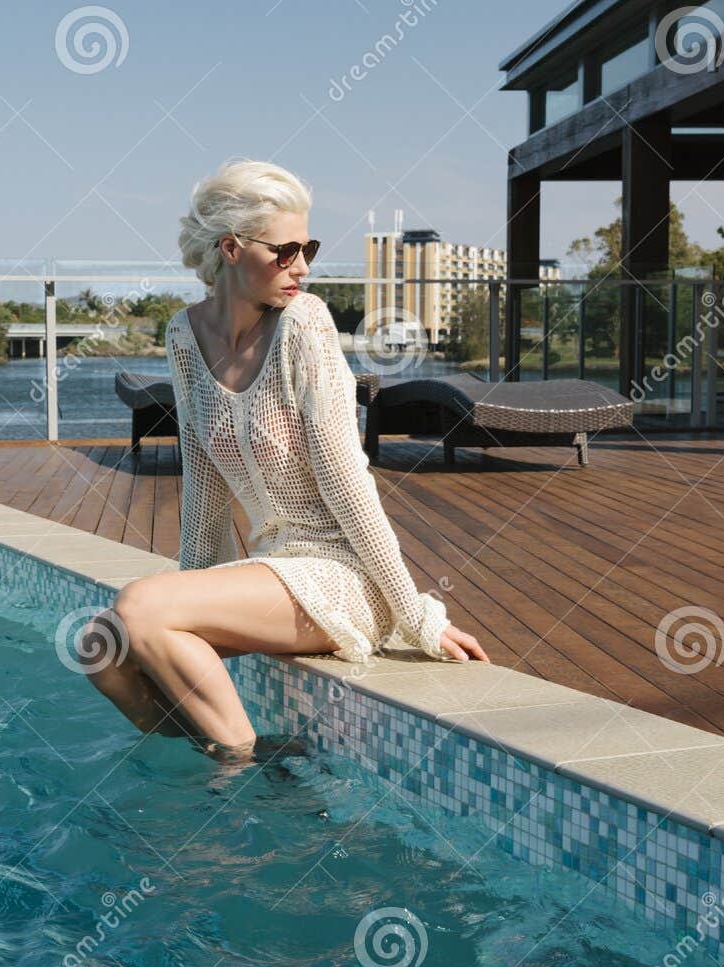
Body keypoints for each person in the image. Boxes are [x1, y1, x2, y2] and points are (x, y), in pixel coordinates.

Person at [83, 158, 486, 759]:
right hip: (272, 570)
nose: (301, 266)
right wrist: (188, 591)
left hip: (342, 575)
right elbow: (203, 486)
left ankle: (238, 773)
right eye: (285, 250)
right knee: (102, 647)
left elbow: (351, 486)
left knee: (142, 607)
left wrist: (417, 615)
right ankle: (214, 755)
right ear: (229, 248)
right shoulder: (184, 337)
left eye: (309, 247)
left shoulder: (304, 323)